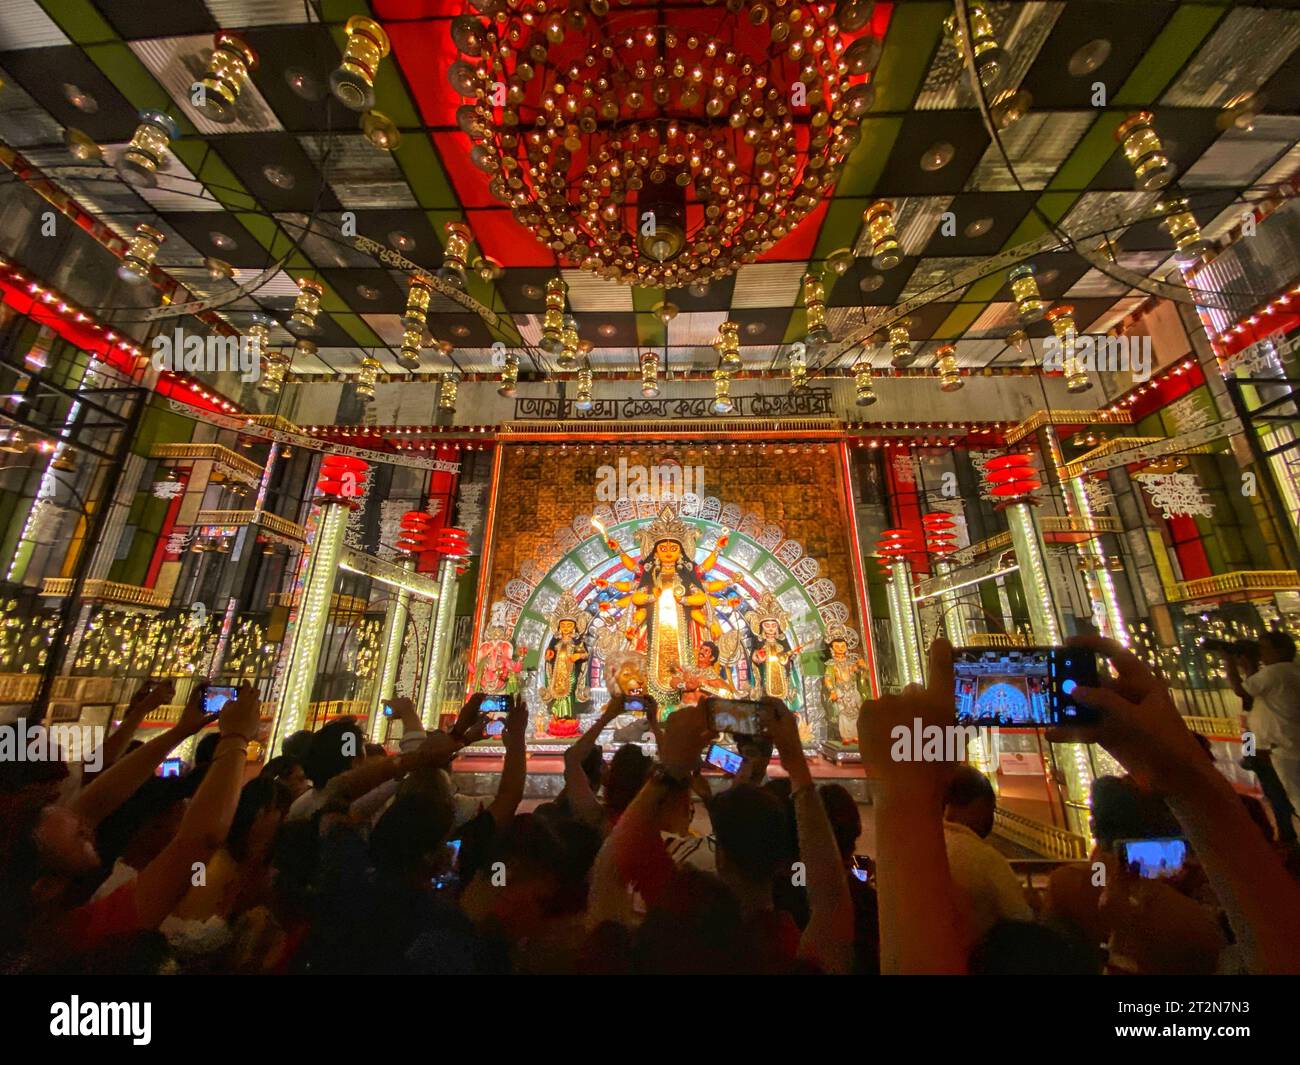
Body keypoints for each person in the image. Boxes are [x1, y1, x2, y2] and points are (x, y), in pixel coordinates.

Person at [941, 766, 1033, 943]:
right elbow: (1021, 918)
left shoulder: (929, 847)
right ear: (979, 805)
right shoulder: (985, 859)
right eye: (991, 809)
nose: (991, 818)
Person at [1227, 631, 1300, 824]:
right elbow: (1250, 713)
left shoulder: (1271, 675)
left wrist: (1231, 664)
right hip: (1263, 746)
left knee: (1279, 794)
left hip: (1269, 748)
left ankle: (1287, 833)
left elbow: (1246, 700)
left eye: (1263, 649)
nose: (1262, 654)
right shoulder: (1270, 678)